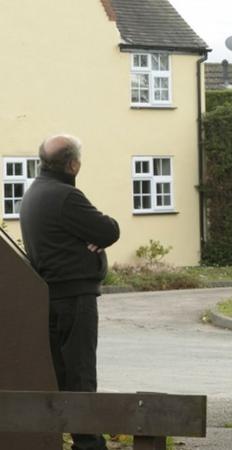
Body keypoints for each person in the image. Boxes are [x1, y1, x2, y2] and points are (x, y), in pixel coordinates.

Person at [20, 134, 119, 450]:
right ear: (73, 164)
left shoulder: (34, 193)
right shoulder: (65, 196)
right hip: (74, 297)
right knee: (80, 373)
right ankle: (88, 444)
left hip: (51, 295)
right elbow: (108, 230)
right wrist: (92, 240)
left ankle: (81, 438)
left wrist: (89, 238)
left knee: (65, 372)